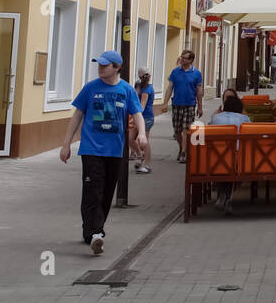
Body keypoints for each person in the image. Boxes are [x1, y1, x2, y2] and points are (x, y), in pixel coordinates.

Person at [59, 51, 145, 255]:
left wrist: (142, 133)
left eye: (104, 65)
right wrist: (66, 144)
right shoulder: (90, 88)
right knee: (92, 190)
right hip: (91, 149)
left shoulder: (126, 90)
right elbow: (77, 115)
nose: (100, 68)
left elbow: (137, 114)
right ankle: (97, 232)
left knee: (106, 193)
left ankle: (91, 231)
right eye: (99, 65)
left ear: (117, 68)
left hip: (115, 151)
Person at [205, 95, 251, 213]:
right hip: (238, 159)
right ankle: (228, 196)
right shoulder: (244, 119)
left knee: (221, 167)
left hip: (217, 159)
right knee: (235, 169)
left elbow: (208, 130)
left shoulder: (216, 118)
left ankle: (222, 195)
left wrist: (214, 114)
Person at [162, 49, 203, 163]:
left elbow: (199, 90)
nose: (182, 59)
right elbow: (170, 87)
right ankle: (181, 146)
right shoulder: (175, 72)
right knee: (177, 130)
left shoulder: (196, 73)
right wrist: (165, 102)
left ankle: (184, 152)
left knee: (186, 129)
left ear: (190, 60)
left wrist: (200, 106)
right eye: (182, 57)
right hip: (176, 104)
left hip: (190, 104)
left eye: (185, 58)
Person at [129, 68, 155, 174]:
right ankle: (140, 156)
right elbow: (134, 99)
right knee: (130, 138)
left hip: (146, 117)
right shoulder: (139, 86)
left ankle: (147, 164)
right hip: (140, 116)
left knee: (144, 141)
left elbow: (142, 105)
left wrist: (135, 118)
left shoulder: (146, 89)